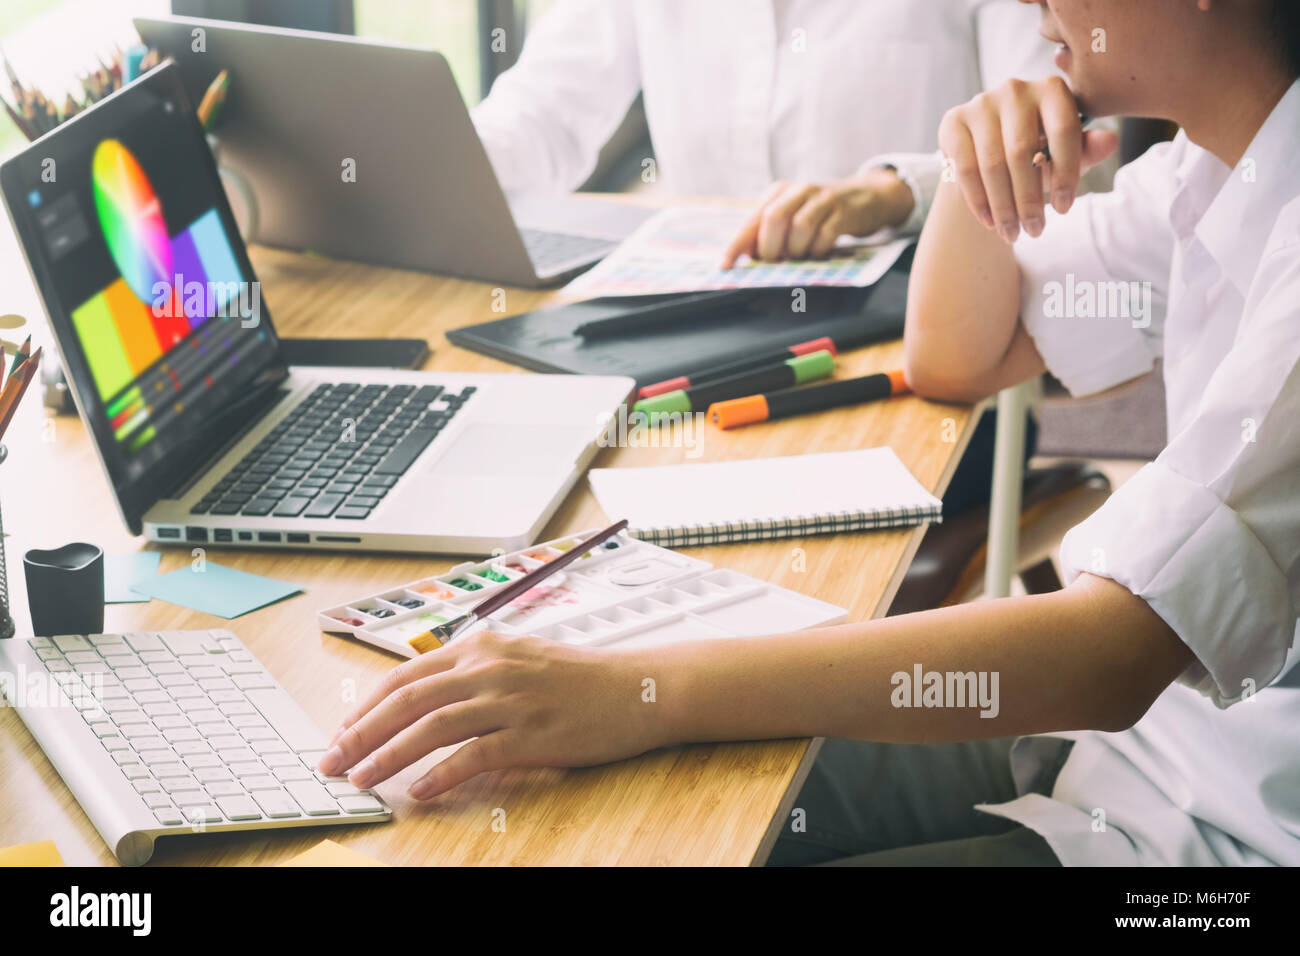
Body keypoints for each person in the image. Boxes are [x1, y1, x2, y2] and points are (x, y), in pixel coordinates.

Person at [320, 0, 1300, 866]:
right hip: (1130, 751)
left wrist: (638, 687)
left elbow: (1110, 654)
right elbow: (955, 352)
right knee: (599, 805)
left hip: (1221, 828)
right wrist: (973, 175)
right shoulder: (1205, 177)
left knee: (654, 776)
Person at [472, 0, 1055, 254]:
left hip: (917, 317)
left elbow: (1052, 143)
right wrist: (424, 165)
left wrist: (895, 192)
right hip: (701, 305)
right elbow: (542, 113)